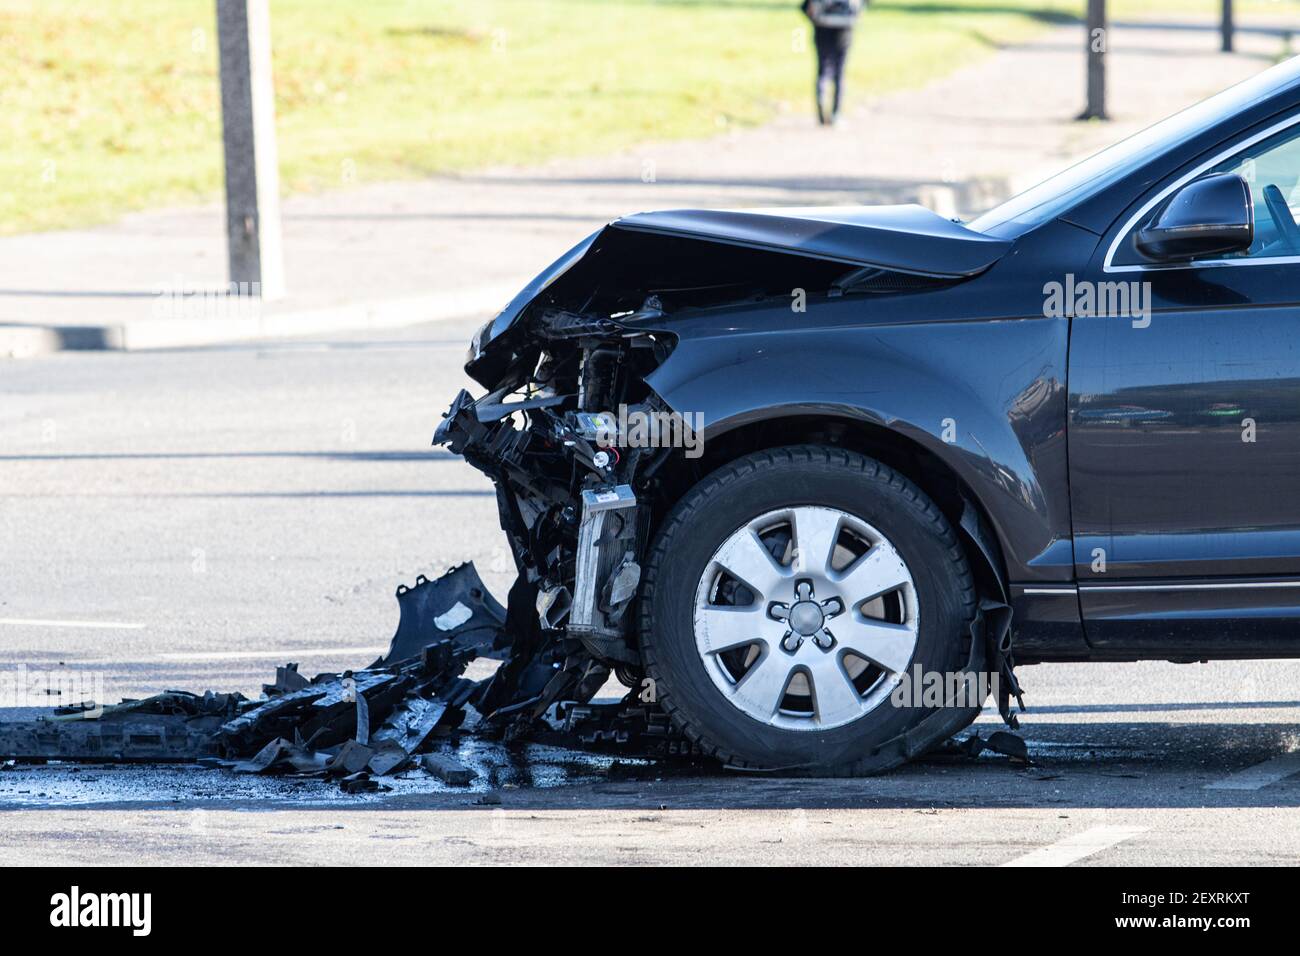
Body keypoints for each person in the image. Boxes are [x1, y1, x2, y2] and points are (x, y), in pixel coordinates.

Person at [801, 0, 863, 126]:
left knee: (822, 70)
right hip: (844, 26)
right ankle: (836, 114)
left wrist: (813, 18)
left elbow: (806, 7)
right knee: (839, 72)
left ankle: (821, 114)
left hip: (822, 26)